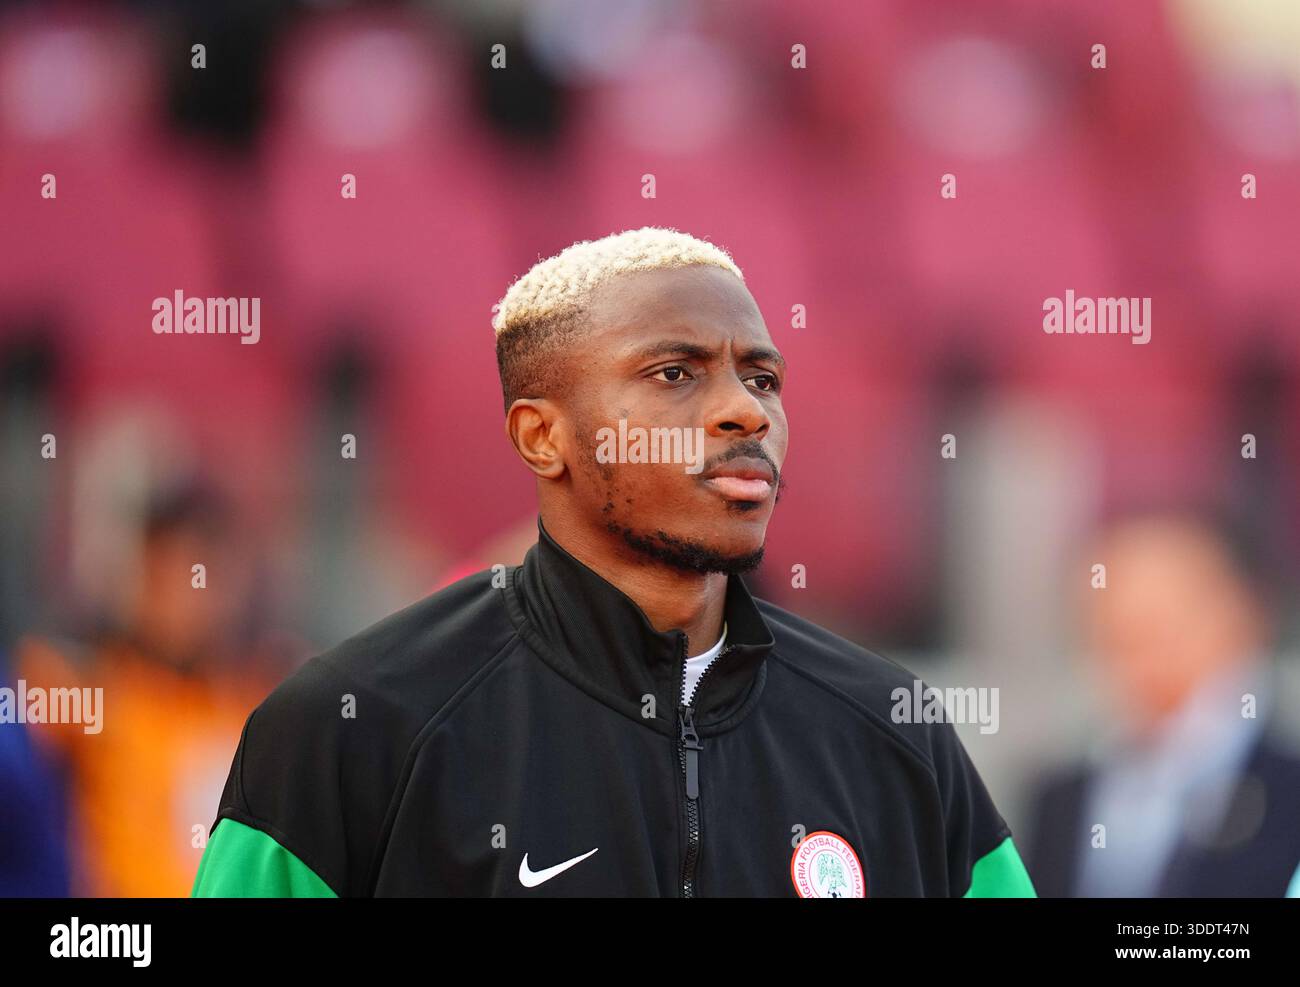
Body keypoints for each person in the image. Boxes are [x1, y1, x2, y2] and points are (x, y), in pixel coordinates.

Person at [192, 227, 1035, 897]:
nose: (746, 410)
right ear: (542, 435)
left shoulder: (894, 730)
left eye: (764, 378)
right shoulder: (350, 726)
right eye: (676, 372)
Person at [1023, 507, 1300, 897]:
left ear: (1242, 611)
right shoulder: (1060, 800)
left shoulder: (1287, 790)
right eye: (1114, 629)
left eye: (1160, 623)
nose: (1139, 656)